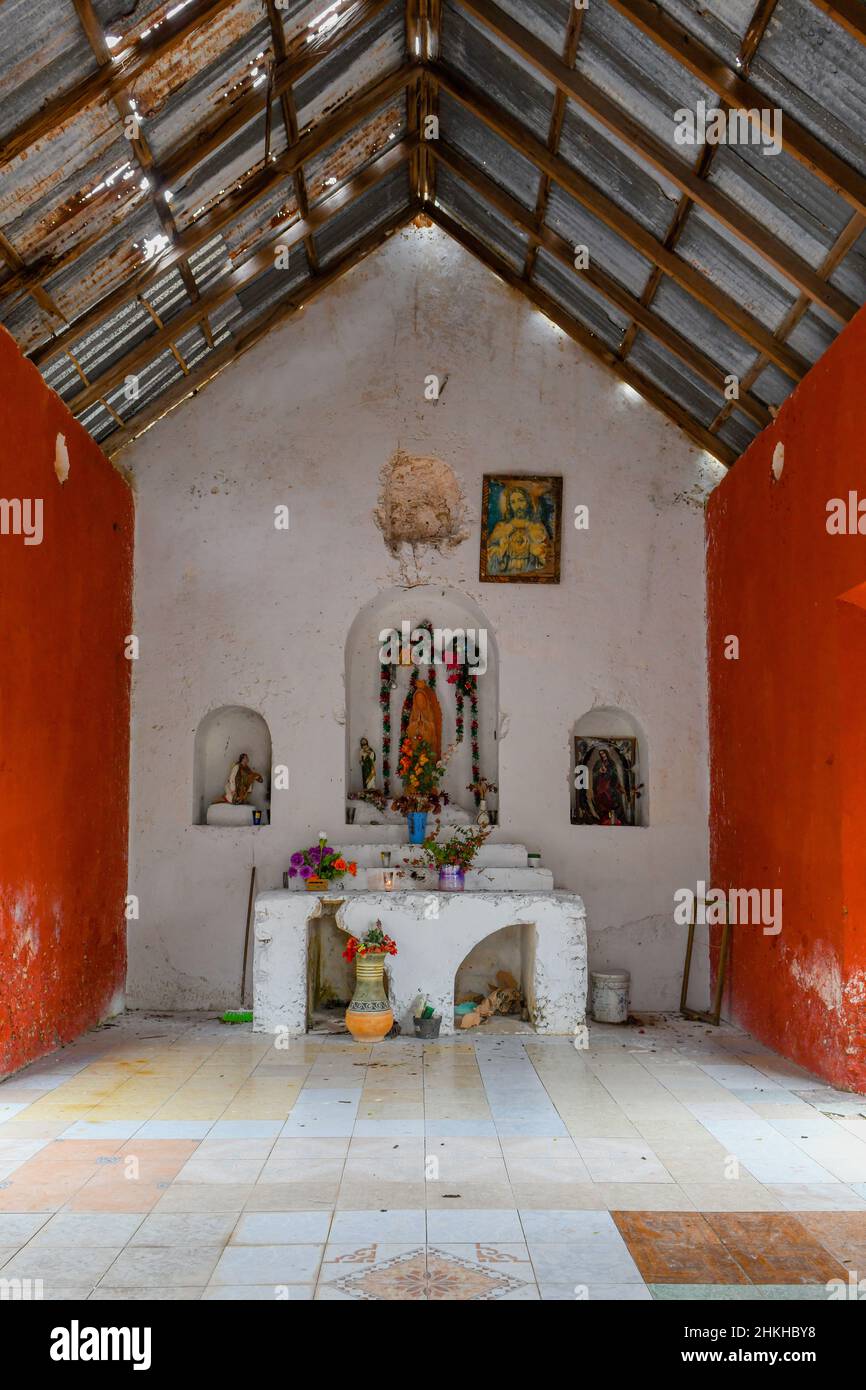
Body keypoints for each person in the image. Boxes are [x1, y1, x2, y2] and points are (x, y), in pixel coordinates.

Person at [486, 486, 549, 574]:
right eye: (513, 502)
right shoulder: (502, 526)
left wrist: (534, 548)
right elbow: (488, 551)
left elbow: (545, 555)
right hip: (507, 569)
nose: (517, 506)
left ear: (527, 502)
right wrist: (502, 547)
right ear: (509, 505)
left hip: (529, 570)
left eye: (521, 500)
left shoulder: (537, 526)